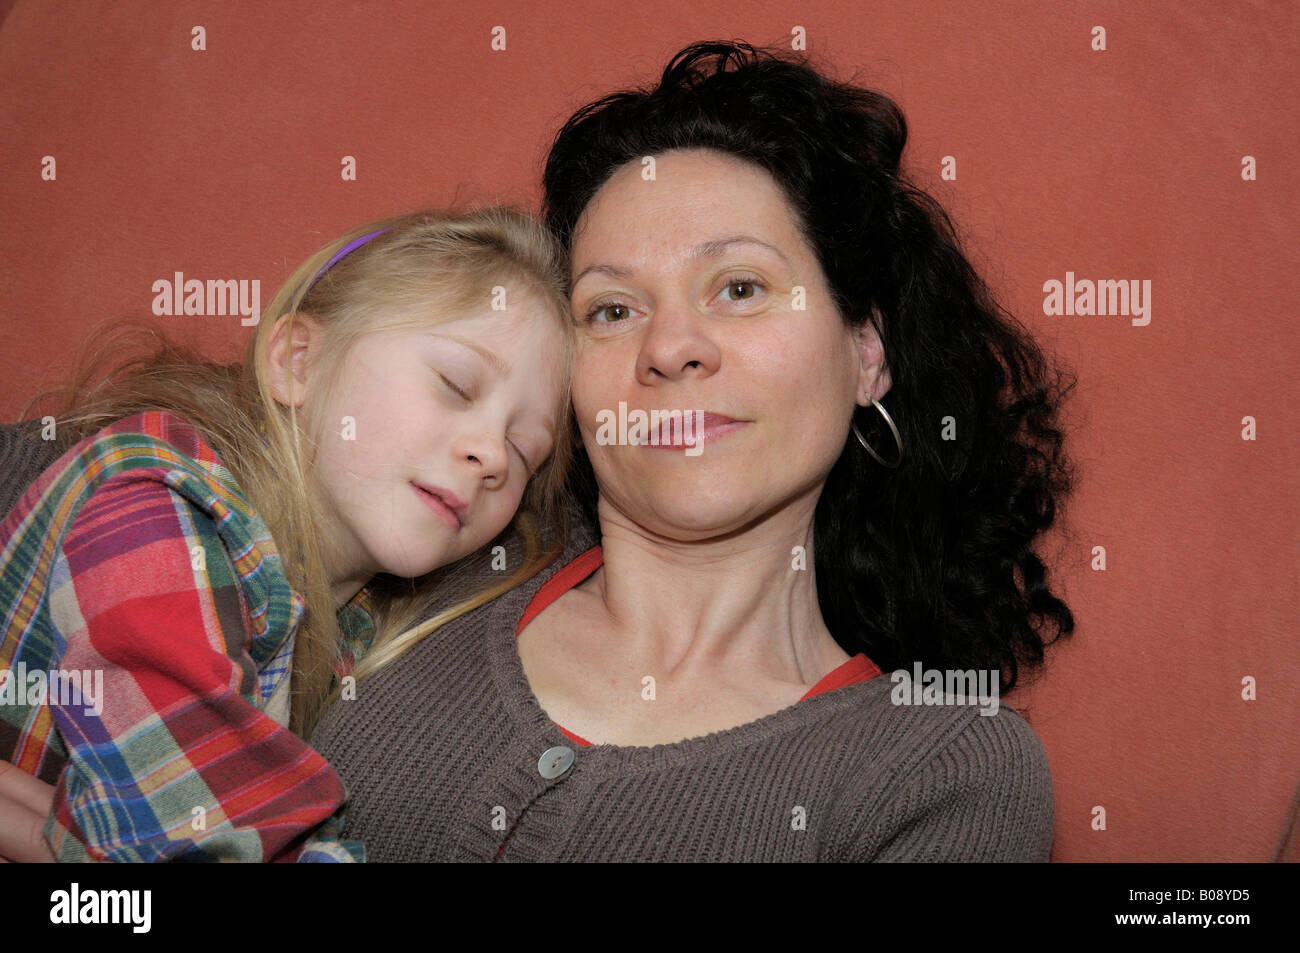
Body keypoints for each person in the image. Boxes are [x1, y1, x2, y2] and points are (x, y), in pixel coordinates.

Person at [304, 41, 1079, 861]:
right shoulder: (432, 544)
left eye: (740, 288)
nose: (671, 347)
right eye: (611, 310)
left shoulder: (942, 770)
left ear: (866, 353)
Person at [0, 207, 575, 861]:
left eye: (525, 449)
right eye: (455, 384)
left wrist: (44, 826)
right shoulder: (154, 512)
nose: (493, 455)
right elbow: (195, 846)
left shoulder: (354, 626)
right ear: (298, 360)